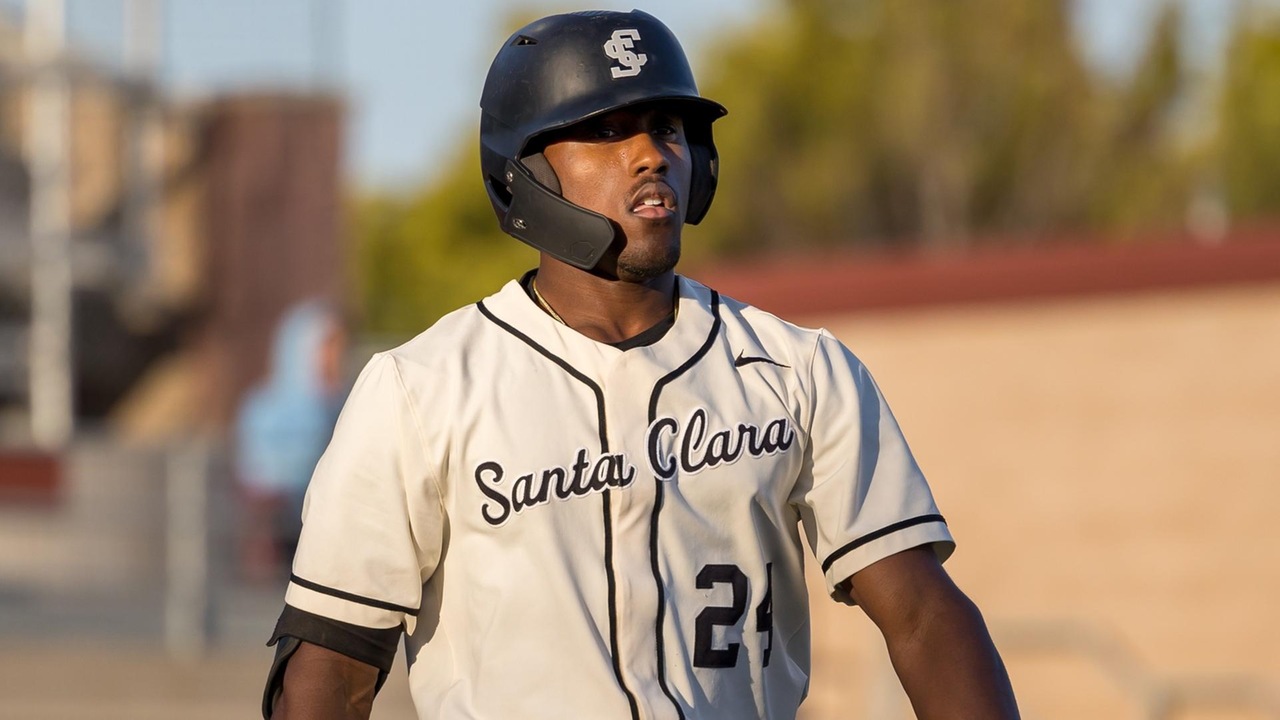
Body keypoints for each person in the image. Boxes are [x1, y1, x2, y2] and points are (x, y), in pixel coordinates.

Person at [262, 10, 1020, 719]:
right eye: (606, 130)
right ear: (524, 175)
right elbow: (332, 665)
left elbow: (921, 615)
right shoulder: (422, 389)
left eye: (666, 128)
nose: (651, 153)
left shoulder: (799, 370)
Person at [235, 299, 347, 583]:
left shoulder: (344, 407)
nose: (335, 357)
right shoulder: (264, 408)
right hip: (279, 543)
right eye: (328, 347)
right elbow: (260, 478)